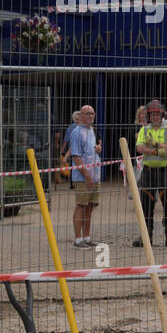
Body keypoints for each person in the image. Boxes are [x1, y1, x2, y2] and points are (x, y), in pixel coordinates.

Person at [133, 99, 167, 247]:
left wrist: (154, 144)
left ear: (162, 115)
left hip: (165, 171)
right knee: (146, 205)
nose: (155, 117)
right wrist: (159, 151)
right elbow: (139, 148)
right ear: (148, 116)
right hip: (148, 171)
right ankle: (146, 238)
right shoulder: (144, 130)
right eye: (152, 114)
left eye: (157, 114)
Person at [67, 104, 102, 247]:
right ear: (80, 116)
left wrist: (98, 150)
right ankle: (77, 239)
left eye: (92, 113)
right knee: (81, 206)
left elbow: (90, 150)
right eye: (87, 113)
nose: (90, 116)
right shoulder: (76, 132)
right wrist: (87, 176)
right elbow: (76, 157)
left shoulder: (92, 130)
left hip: (95, 174)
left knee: (90, 206)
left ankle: (87, 237)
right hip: (83, 177)